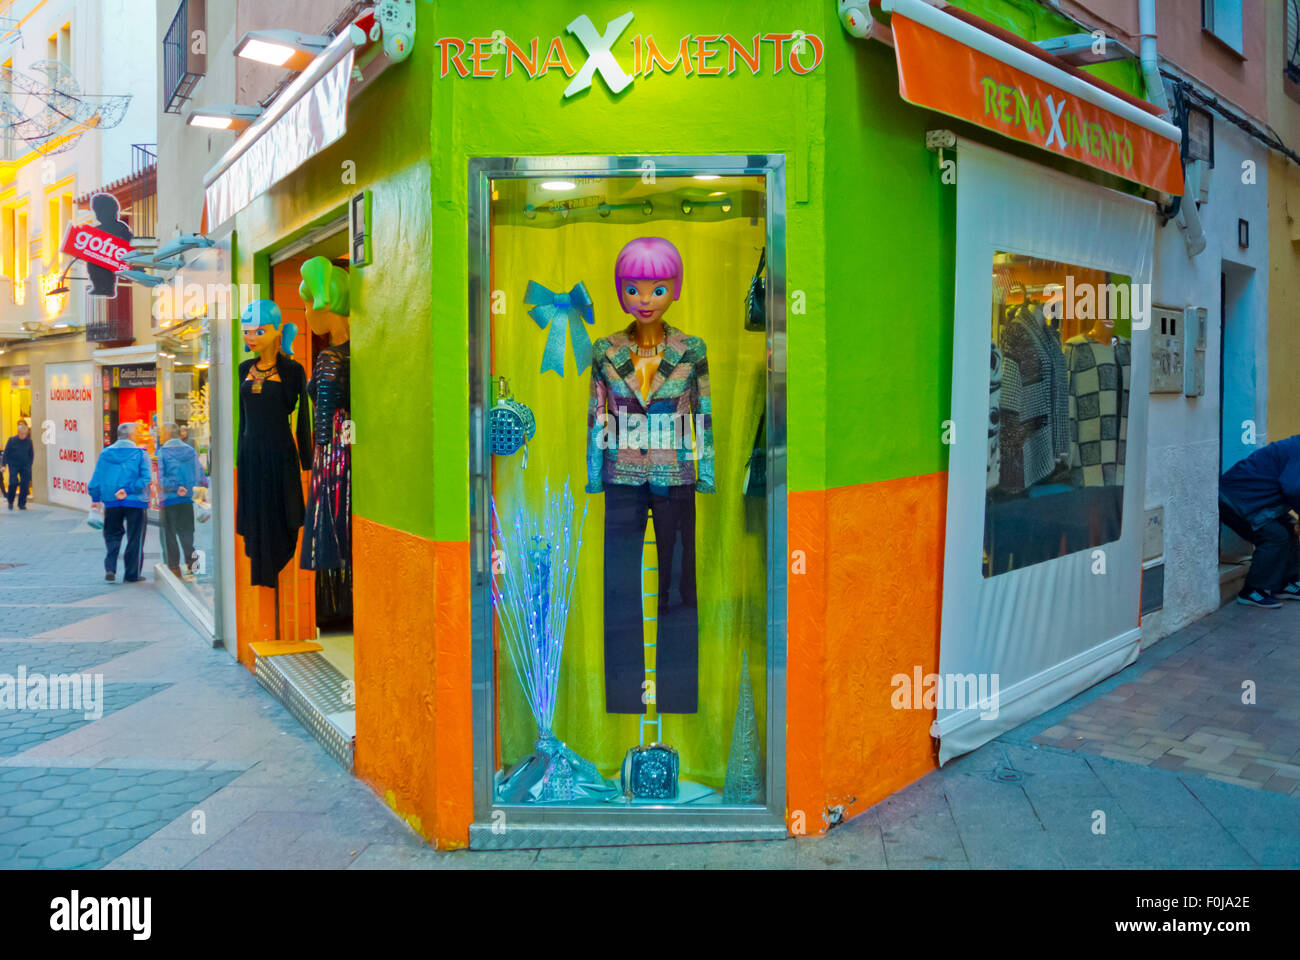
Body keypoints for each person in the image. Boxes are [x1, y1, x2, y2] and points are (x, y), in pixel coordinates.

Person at [1219, 434, 1300, 608]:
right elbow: (1293, 487)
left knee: (1290, 528)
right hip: (1237, 500)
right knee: (1275, 537)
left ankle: (1286, 584)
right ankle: (1253, 590)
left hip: (1257, 502)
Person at [88, 422, 153, 583]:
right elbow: (146, 478)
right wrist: (129, 490)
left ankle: (110, 567)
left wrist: (96, 499)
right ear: (132, 436)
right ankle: (132, 574)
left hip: (112, 502)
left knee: (112, 535)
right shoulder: (140, 454)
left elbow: (96, 479)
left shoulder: (105, 454)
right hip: (135, 502)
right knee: (135, 538)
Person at [158, 421, 206, 578]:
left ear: (167, 435)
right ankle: (193, 565)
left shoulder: (163, 452)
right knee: (187, 533)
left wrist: (174, 487)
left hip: (169, 500)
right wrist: (188, 488)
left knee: (170, 534)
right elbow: (201, 476)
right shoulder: (190, 451)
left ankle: (174, 568)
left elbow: (160, 478)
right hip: (186, 500)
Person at [3, 419, 34, 510]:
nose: (23, 436)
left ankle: (21, 504)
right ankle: (10, 501)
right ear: (18, 432)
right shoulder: (12, 440)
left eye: (25, 434)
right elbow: (6, 453)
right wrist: (4, 465)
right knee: (13, 482)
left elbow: (31, 454)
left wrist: (29, 464)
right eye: (21, 434)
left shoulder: (29, 441)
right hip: (14, 465)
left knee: (24, 484)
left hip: (25, 466)